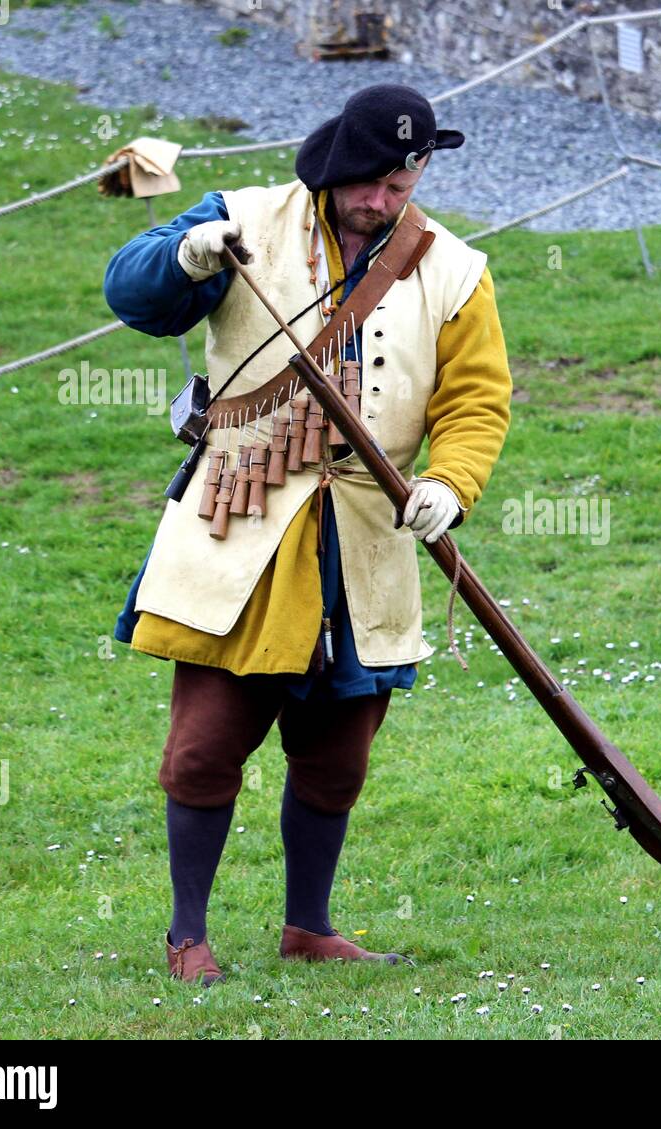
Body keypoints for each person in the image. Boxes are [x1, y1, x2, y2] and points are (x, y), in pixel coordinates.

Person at [103, 84, 512, 985]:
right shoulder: (244, 218)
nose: (385, 199)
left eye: (403, 183)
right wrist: (187, 256)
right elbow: (127, 289)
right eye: (372, 181)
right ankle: (187, 935)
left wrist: (450, 481)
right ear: (336, 165)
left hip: (366, 541)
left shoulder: (454, 268)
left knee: (336, 758)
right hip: (242, 528)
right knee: (205, 748)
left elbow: (477, 401)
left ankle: (309, 926)